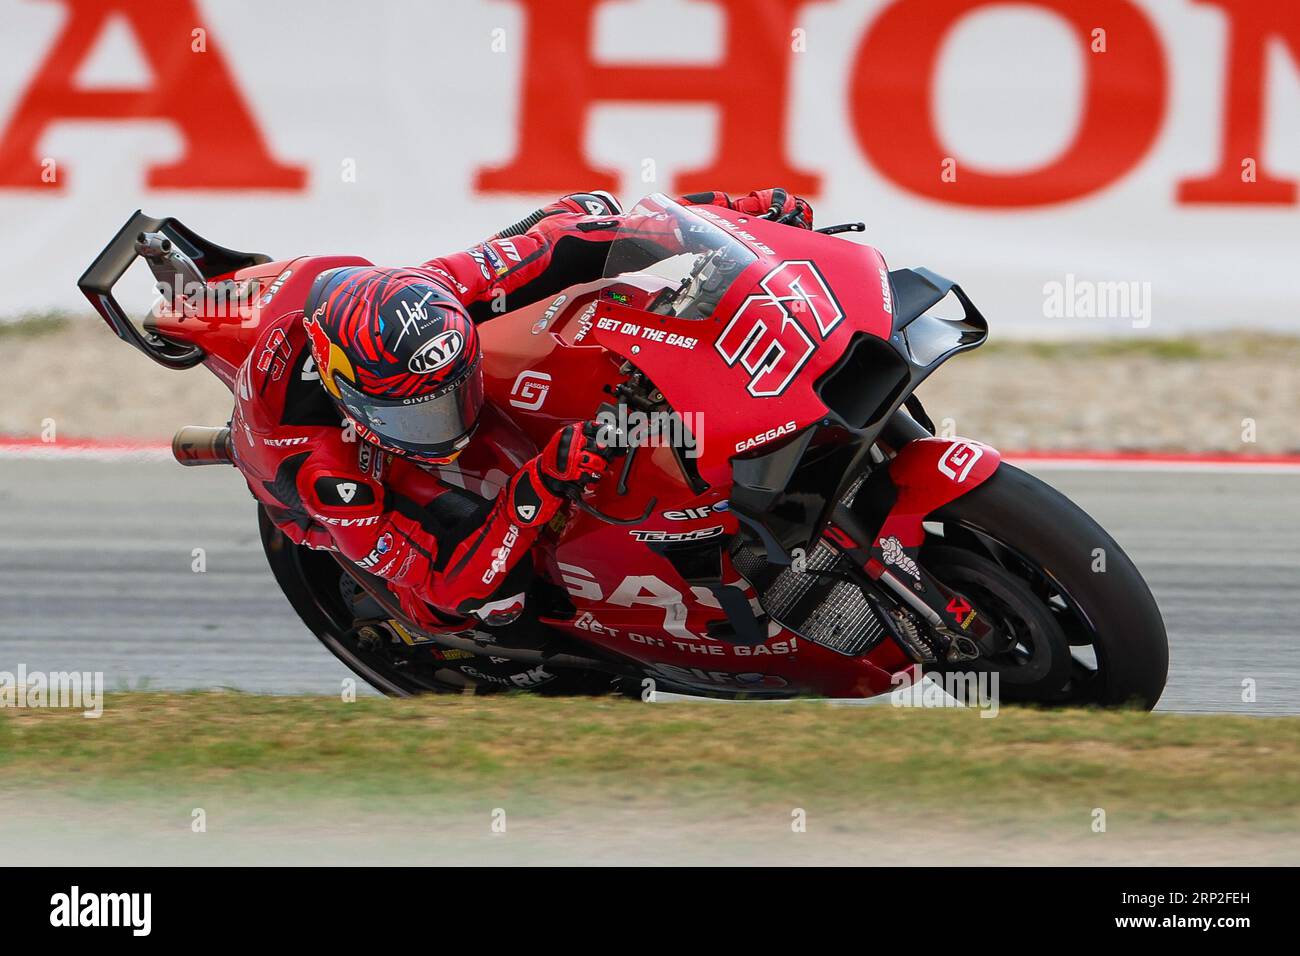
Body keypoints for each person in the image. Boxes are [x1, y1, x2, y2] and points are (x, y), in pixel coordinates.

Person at [230, 188, 813, 631]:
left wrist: (735, 215)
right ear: (352, 399)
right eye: (420, 415)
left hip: (359, 337)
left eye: (452, 395)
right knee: (493, 600)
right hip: (378, 509)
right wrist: (536, 487)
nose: (449, 423)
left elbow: (565, 235)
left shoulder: (436, 288)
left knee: (586, 212)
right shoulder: (324, 474)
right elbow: (449, 583)